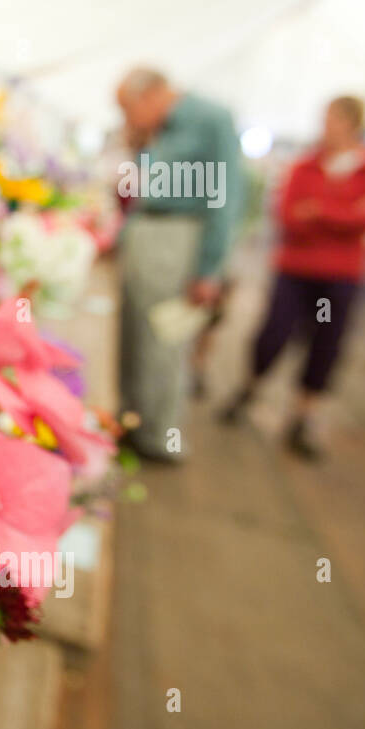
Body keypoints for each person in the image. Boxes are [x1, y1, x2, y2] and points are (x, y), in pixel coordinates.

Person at [221, 96, 365, 459]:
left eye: (332, 119)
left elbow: (364, 219)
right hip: (296, 271)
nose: (325, 126)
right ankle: (249, 388)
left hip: (336, 278)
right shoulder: (305, 165)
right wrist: (340, 215)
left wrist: (319, 211)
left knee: (325, 342)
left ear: (351, 123)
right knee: (274, 331)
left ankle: (305, 413)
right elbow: (289, 215)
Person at [115, 68, 244, 460]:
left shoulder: (212, 119)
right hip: (148, 234)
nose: (128, 120)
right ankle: (132, 421)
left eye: (128, 110)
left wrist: (209, 268)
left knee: (164, 341)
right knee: (134, 335)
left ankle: (162, 439)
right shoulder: (161, 131)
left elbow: (225, 197)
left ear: (151, 95)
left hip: (178, 240)